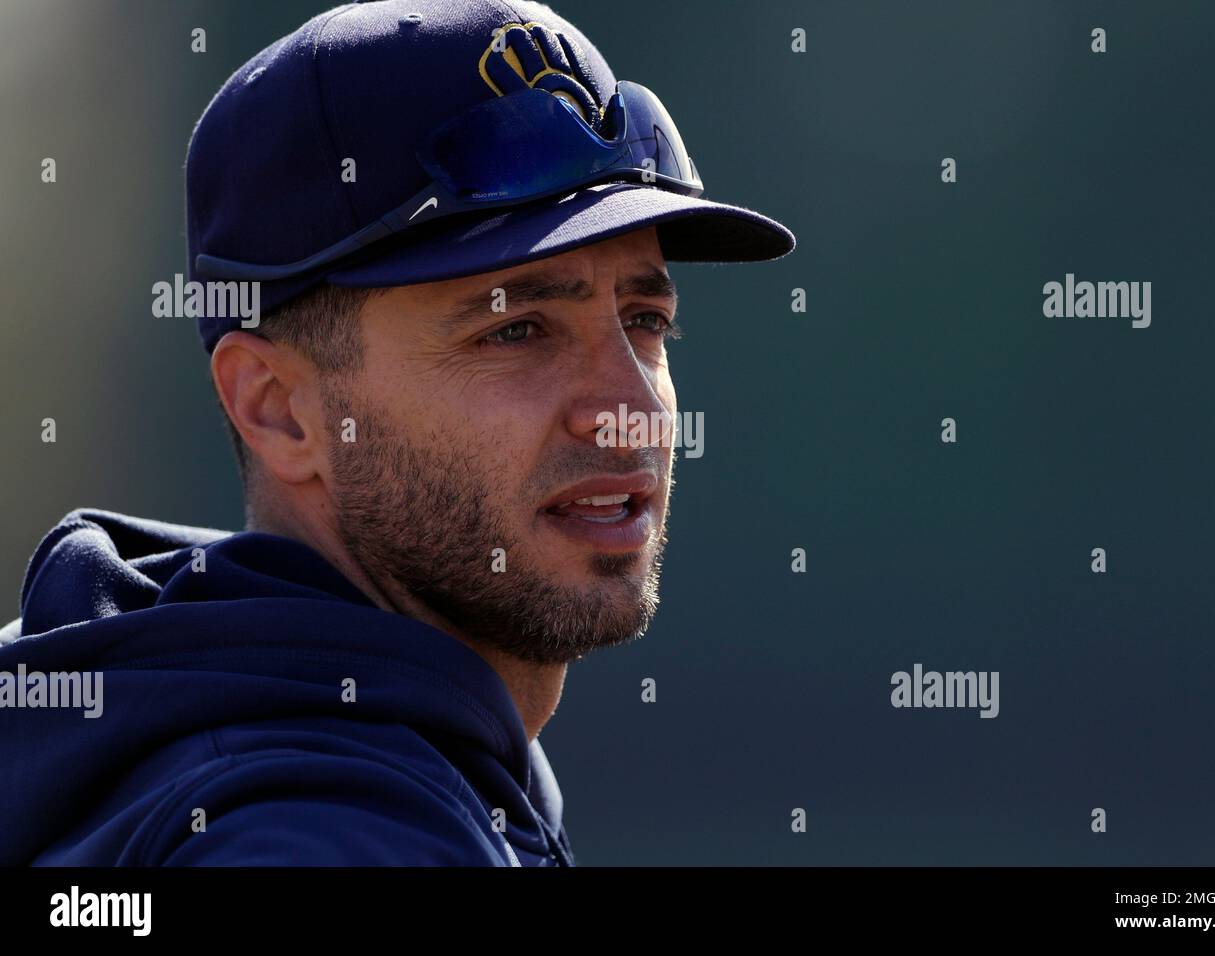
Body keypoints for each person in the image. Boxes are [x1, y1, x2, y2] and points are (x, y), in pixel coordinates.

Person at [0, 0, 794, 866]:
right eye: (516, 330)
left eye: (645, 320)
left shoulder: (178, 723)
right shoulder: (324, 834)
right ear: (277, 408)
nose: (628, 406)